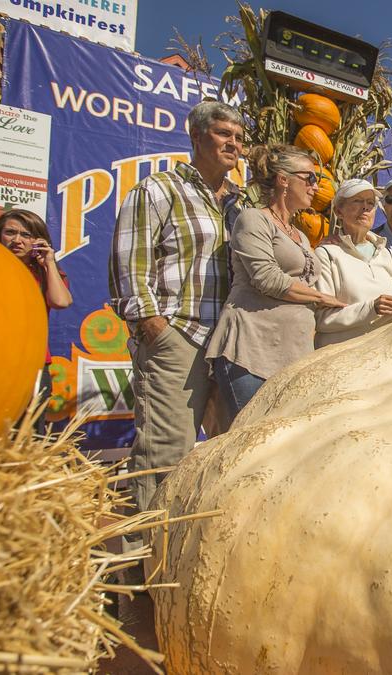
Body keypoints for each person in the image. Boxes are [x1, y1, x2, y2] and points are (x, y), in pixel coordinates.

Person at [108, 100, 245, 515]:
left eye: (239, 138)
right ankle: (146, 564)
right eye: (224, 134)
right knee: (165, 458)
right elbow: (129, 265)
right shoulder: (158, 189)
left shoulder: (238, 204)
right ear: (197, 137)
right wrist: (155, 327)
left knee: (230, 456)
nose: (233, 144)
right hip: (179, 338)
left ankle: (188, 556)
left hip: (229, 344)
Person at [205, 144, 345, 419]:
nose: (315, 187)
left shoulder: (301, 237)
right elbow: (267, 279)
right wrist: (320, 298)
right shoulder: (253, 219)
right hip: (252, 349)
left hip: (293, 354)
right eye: (310, 178)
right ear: (284, 179)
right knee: (251, 442)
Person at [0, 209, 73, 432]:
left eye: (26, 235)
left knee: (29, 432)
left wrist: (48, 262)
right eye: (10, 232)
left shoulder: (46, 273)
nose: (17, 240)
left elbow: (61, 301)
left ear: (38, 241)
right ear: (0, 235)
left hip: (33, 363)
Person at [314, 179, 392, 347]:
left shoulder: (388, 255)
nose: (365, 207)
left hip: (382, 357)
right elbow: (321, 319)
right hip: (339, 360)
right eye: (357, 201)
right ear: (339, 211)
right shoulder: (327, 254)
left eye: (370, 203)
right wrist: (371, 308)